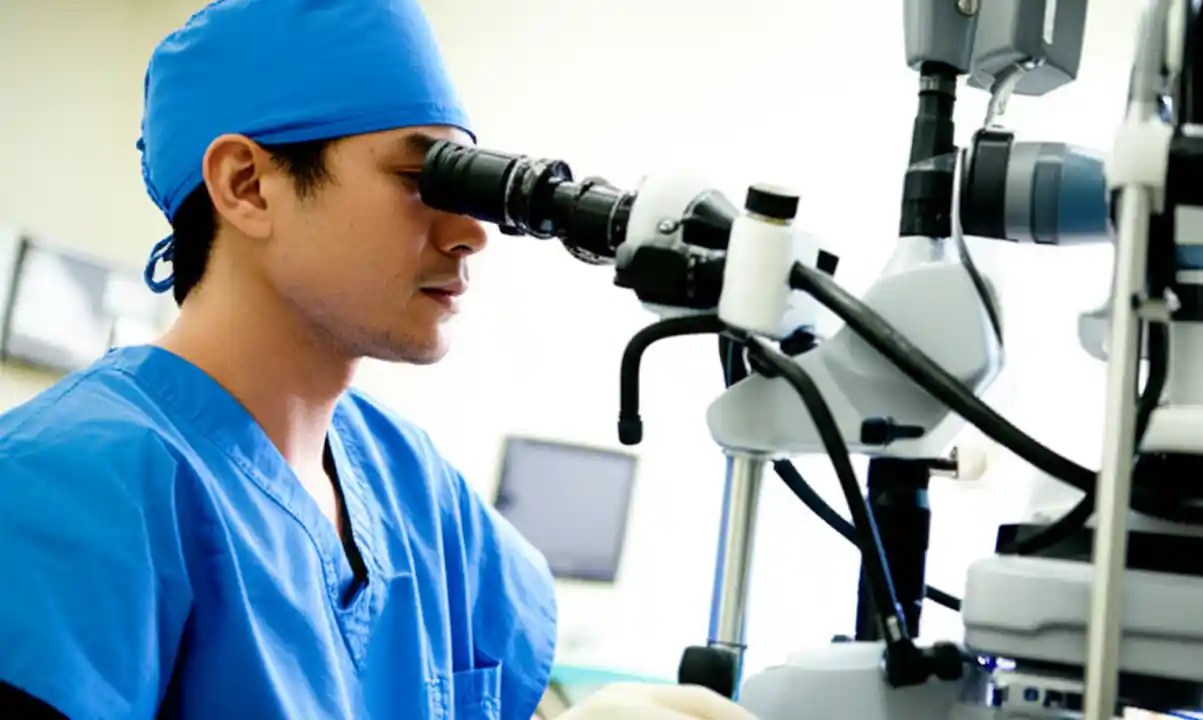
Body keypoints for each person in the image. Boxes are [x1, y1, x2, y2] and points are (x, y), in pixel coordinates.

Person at [0, 1, 758, 719]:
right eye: (421, 179)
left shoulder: (418, 493)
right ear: (247, 186)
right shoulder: (65, 484)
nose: (471, 232)